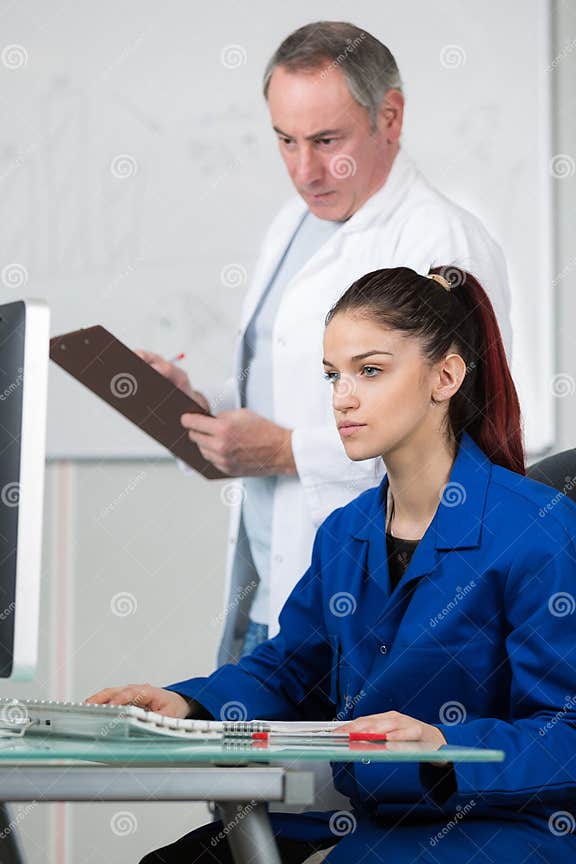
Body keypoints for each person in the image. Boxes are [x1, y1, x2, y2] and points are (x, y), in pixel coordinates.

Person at [88, 267, 576, 863]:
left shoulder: (537, 528)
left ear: (445, 376)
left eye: (369, 371)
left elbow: (566, 730)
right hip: (374, 823)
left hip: (502, 830)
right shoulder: (347, 531)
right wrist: (188, 704)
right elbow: (294, 671)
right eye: (333, 376)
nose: (343, 396)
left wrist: (446, 745)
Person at [137, 21, 512, 666]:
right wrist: (199, 403)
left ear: (389, 117)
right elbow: (291, 380)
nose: (304, 171)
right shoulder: (293, 225)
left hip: (376, 607)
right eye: (285, 141)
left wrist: (286, 451)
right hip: (270, 599)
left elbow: (456, 431)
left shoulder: (441, 241)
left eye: (327, 141)